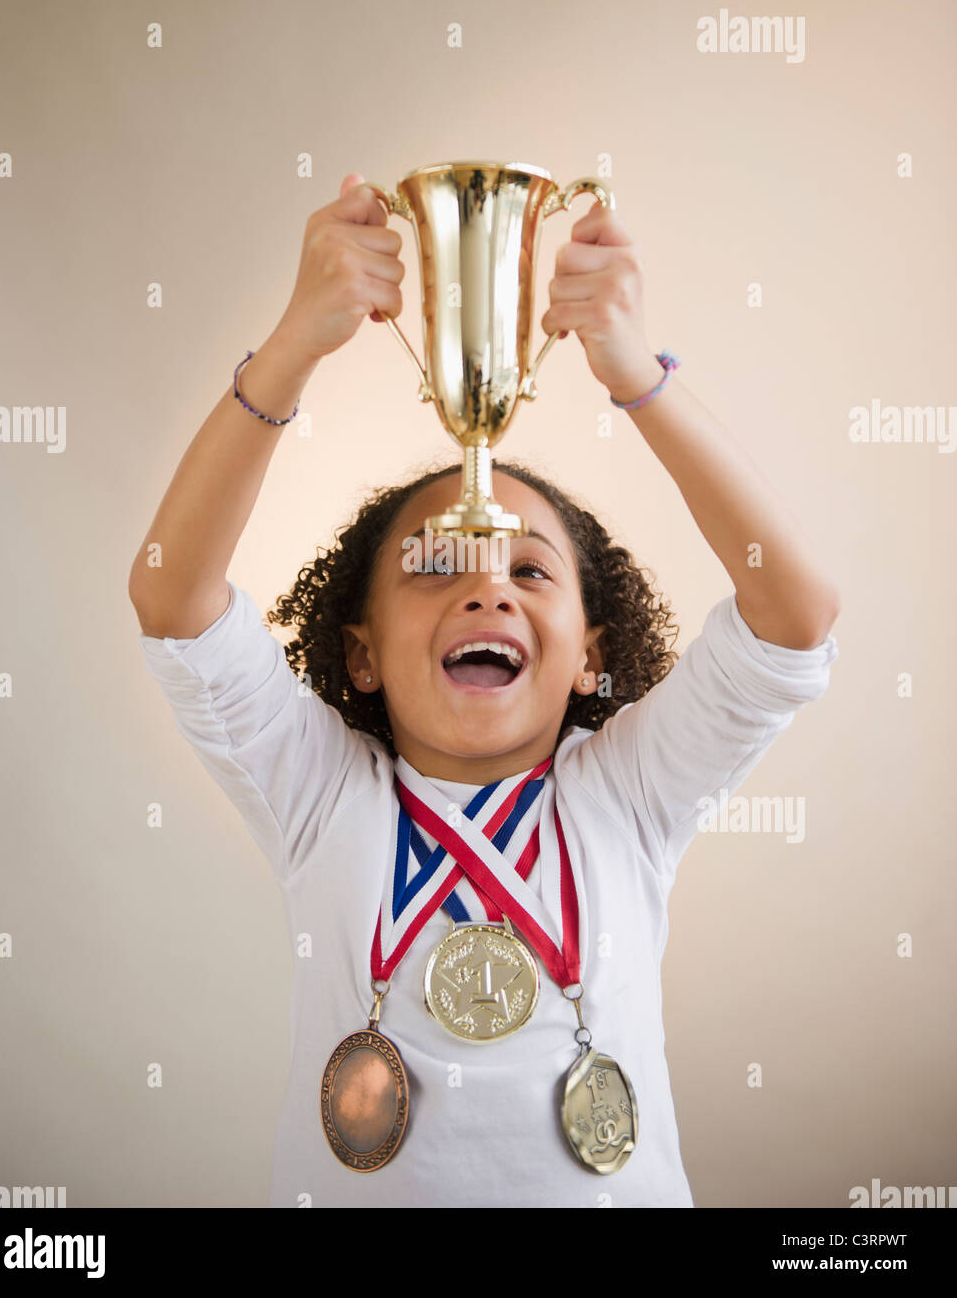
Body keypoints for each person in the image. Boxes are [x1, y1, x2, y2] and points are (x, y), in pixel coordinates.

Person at [128, 171, 841, 1208]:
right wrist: (294, 342)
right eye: (433, 563)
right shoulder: (322, 790)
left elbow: (795, 616)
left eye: (530, 570)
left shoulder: (629, 792)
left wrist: (635, 372)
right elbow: (171, 593)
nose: (484, 589)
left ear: (590, 654)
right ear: (361, 654)